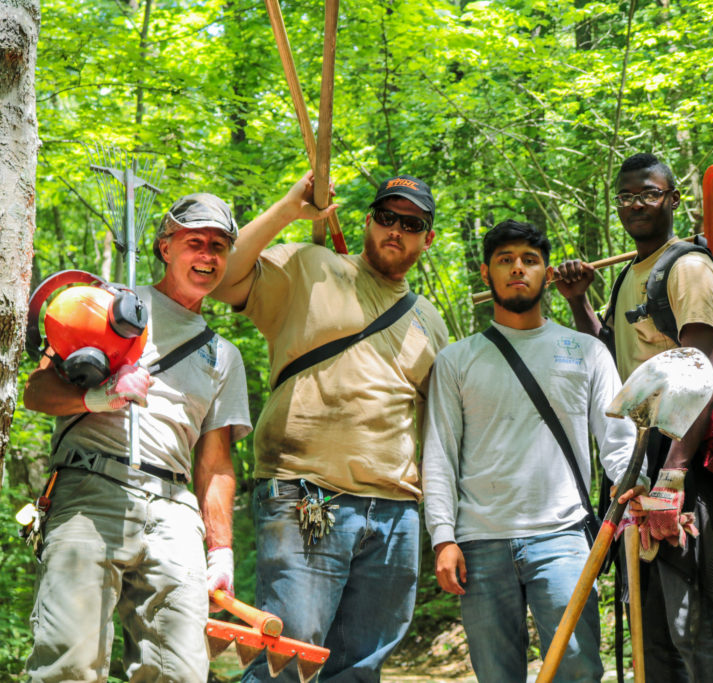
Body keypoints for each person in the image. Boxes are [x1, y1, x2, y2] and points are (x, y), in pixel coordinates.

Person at [212, 172, 448, 682]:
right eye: (386, 216)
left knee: (359, 670)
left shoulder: (430, 320)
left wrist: (444, 524)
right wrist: (287, 209)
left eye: (411, 224)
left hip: (396, 510)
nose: (395, 229)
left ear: (427, 238)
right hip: (307, 492)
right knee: (285, 657)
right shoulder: (312, 267)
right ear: (368, 221)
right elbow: (223, 278)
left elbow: (439, 429)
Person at [23, 194, 252, 682]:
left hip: (175, 510)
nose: (207, 256)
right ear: (165, 248)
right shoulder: (107, 304)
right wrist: (98, 397)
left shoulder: (223, 355)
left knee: (180, 672)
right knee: (69, 664)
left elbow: (215, 463)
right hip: (91, 488)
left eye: (218, 246)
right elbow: (36, 391)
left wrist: (222, 551)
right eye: (195, 242)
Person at [422, 220, 638, 682]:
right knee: (496, 675)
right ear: (486, 273)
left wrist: (637, 497)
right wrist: (443, 537)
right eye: (505, 260)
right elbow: (439, 453)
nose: (517, 268)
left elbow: (618, 442)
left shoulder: (586, 352)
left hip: (565, 537)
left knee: (578, 669)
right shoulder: (456, 360)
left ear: (548, 273)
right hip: (479, 540)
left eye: (530, 260)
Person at [553, 153, 713, 681]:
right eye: (627, 196)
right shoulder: (628, 278)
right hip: (636, 456)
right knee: (650, 622)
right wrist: (578, 301)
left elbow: (702, 371)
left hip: (682, 455)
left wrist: (673, 477)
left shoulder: (688, 269)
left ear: (673, 199)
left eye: (649, 194)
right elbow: (610, 361)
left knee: (691, 618)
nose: (636, 205)